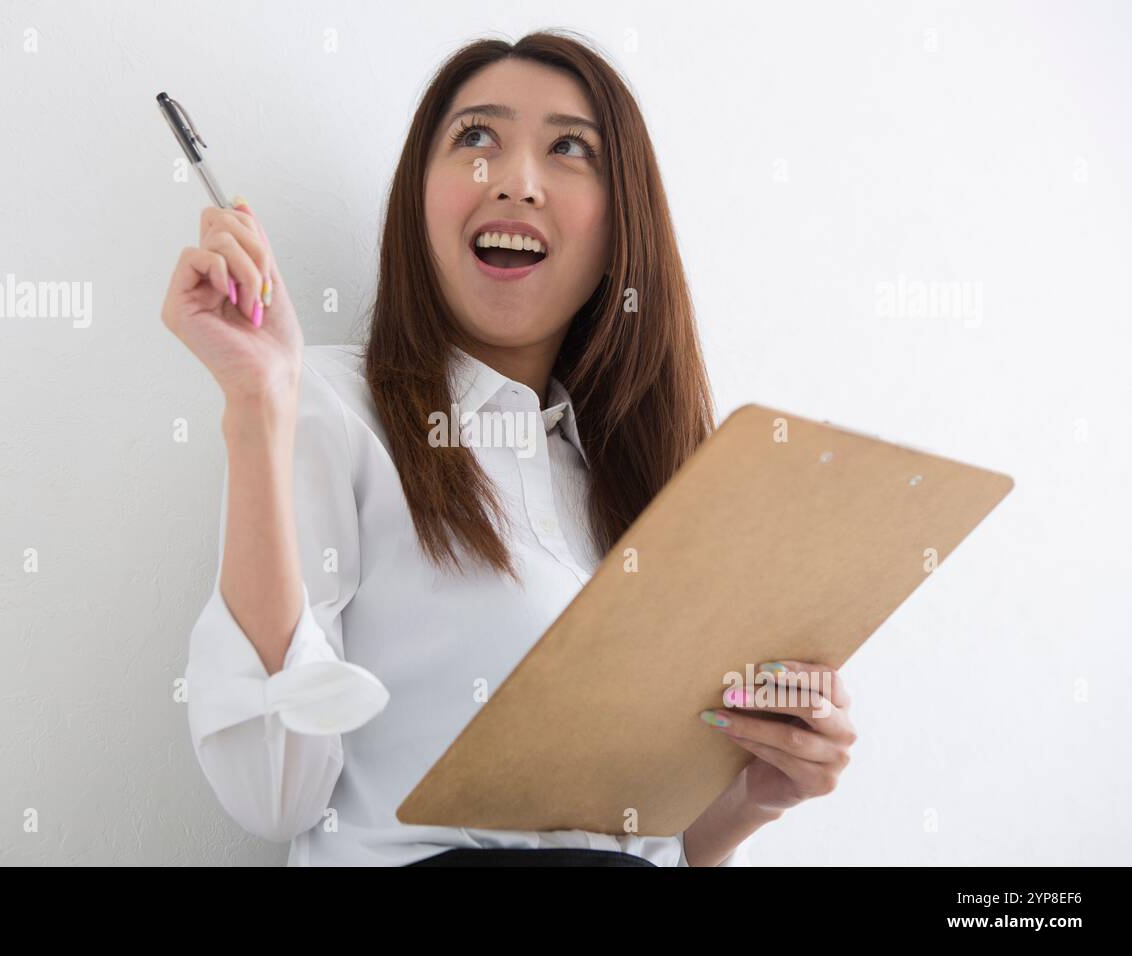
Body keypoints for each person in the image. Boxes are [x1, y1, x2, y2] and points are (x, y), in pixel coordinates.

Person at [161, 29, 857, 867]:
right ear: (419, 201)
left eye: (570, 148)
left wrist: (748, 798)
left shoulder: (647, 479)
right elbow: (270, 794)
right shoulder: (330, 406)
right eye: (477, 138)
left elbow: (648, 846)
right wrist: (255, 402)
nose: (516, 182)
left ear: (618, 231)